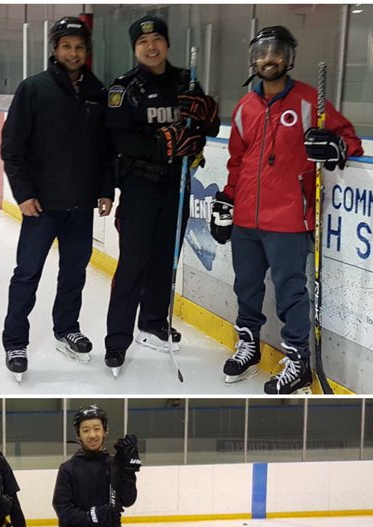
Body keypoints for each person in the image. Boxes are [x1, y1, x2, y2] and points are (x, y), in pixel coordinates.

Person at [211, 25, 363, 393]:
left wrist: (336, 148)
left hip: (290, 219)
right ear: (253, 59)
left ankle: (298, 361)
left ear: (289, 57)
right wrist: (228, 198)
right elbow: (237, 161)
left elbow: (350, 140)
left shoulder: (312, 102)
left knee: (291, 291)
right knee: (246, 286)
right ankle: (248, 343)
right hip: (247, 218)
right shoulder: (246, 107)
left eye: (277, 51)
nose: (269, 58)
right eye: (262, 51)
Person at [103, 16, 221, 373]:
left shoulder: (187, 82)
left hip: (176, 186)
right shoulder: (123, 89)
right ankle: (117, 340)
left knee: (163, 259)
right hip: (140, 188)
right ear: (135, 48)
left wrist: (206, 115)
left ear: (167, 44)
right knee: (133, 263)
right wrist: (161, 145)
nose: (151, 47)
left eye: (157, 39)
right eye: (143, 42)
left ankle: (153, 321)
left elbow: (208, 127)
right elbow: (117, 138)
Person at [0, 16, 113, 379]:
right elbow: (12, 148)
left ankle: (66, 328)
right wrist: (24, 194)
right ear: (55, 49)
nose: (73, 52)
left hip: (81, 205)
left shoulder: (98, 93)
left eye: (79, 47)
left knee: (74, 272)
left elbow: (105, 150)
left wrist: (105, 190)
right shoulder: (34, 89)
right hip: (41, 206)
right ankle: (15, 340)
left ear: (87, 51)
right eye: (67, 46)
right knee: (27, 273)